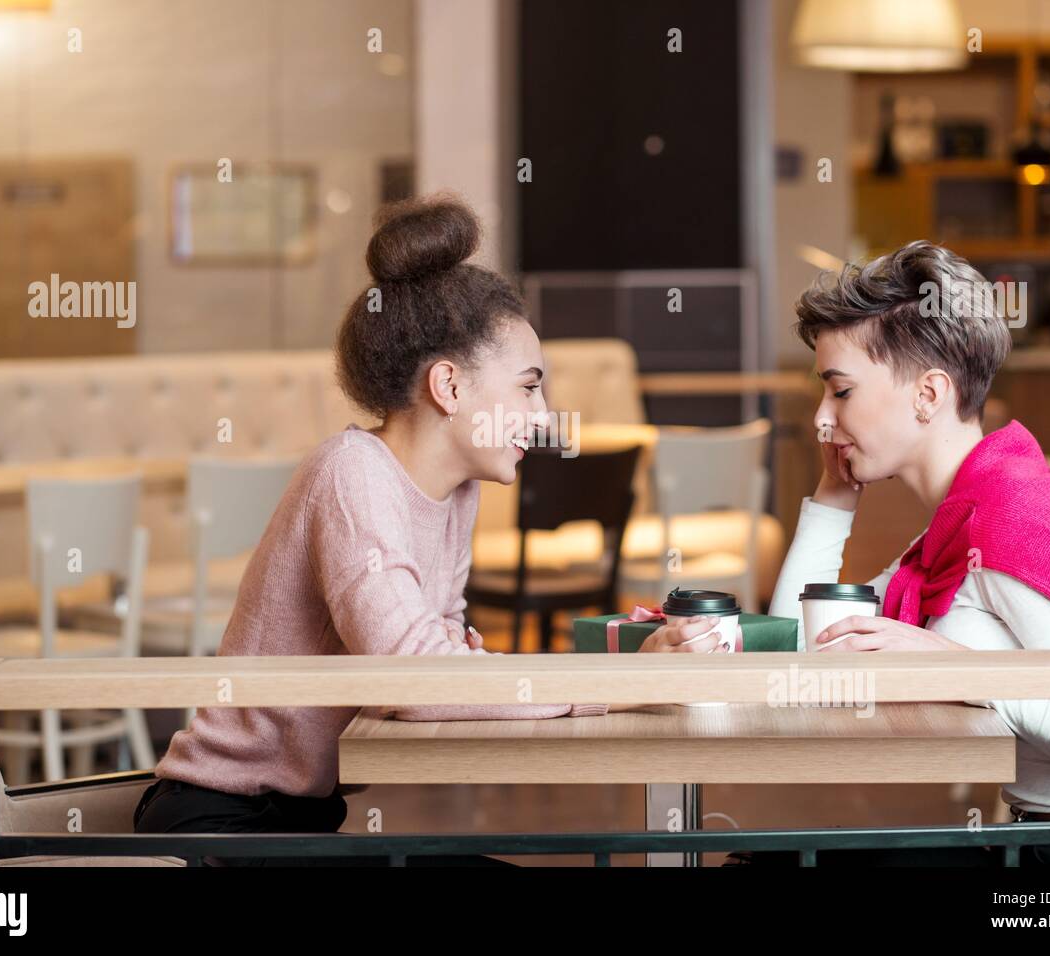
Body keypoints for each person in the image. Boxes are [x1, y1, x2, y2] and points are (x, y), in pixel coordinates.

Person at [133, 194, 721, 866]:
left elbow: (433, 669)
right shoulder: (352, 475)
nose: (544, 416)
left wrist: (452, 667)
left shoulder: (454, 494)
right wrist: (622, 682)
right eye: (529, 388)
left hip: (298, 827)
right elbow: (418, 679)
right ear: (448, 384)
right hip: (220, 831)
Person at [739, 241, 1050, 867]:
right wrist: (835, 492)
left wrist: (957, 667)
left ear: (928, 394)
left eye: (840, 392)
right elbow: (801, 647)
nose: (819, 419)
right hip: (1043, 841)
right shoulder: (954, 532)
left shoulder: (1009, 527)